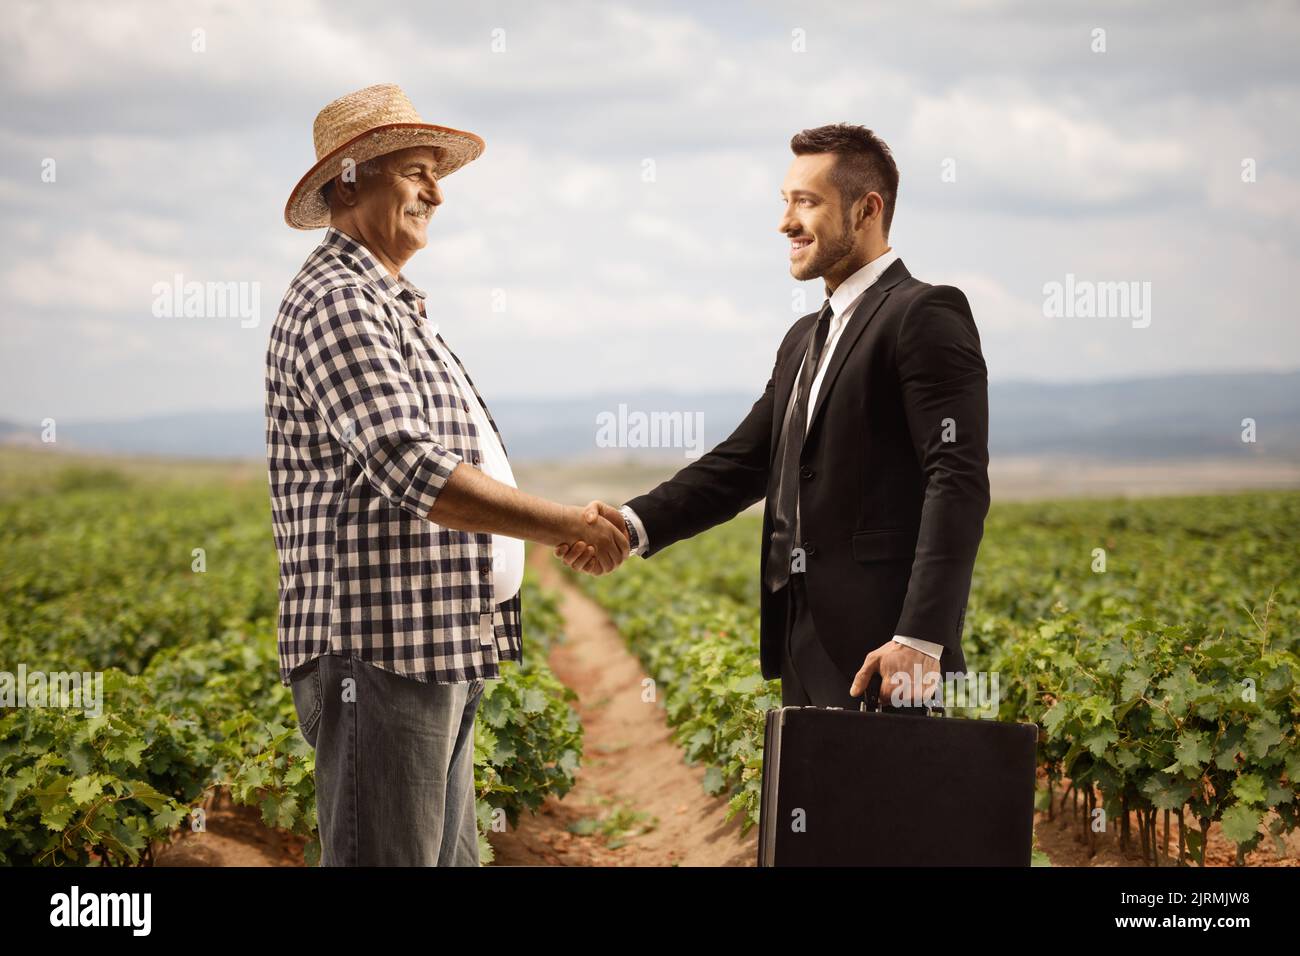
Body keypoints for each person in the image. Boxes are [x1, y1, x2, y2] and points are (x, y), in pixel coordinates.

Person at [266, 84, 627, 866]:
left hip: (429, 646)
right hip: (378, 651)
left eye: (438, 175)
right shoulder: (339, 302)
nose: (436, 193)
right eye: (418, 171)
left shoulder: (390, 302)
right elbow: (411, 466)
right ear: (353, 177)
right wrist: (566, 523)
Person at [559, 123, 990, 713]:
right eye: (784, 201)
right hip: (800, 639)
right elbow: (744, 464)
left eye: (806, 202)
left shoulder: (924, 313)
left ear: (867, 210)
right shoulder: (802, 339)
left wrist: (920, 638)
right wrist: (632, 525)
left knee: (889, 806)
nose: (785, 222)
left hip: (889, 654)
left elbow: (957, 477)